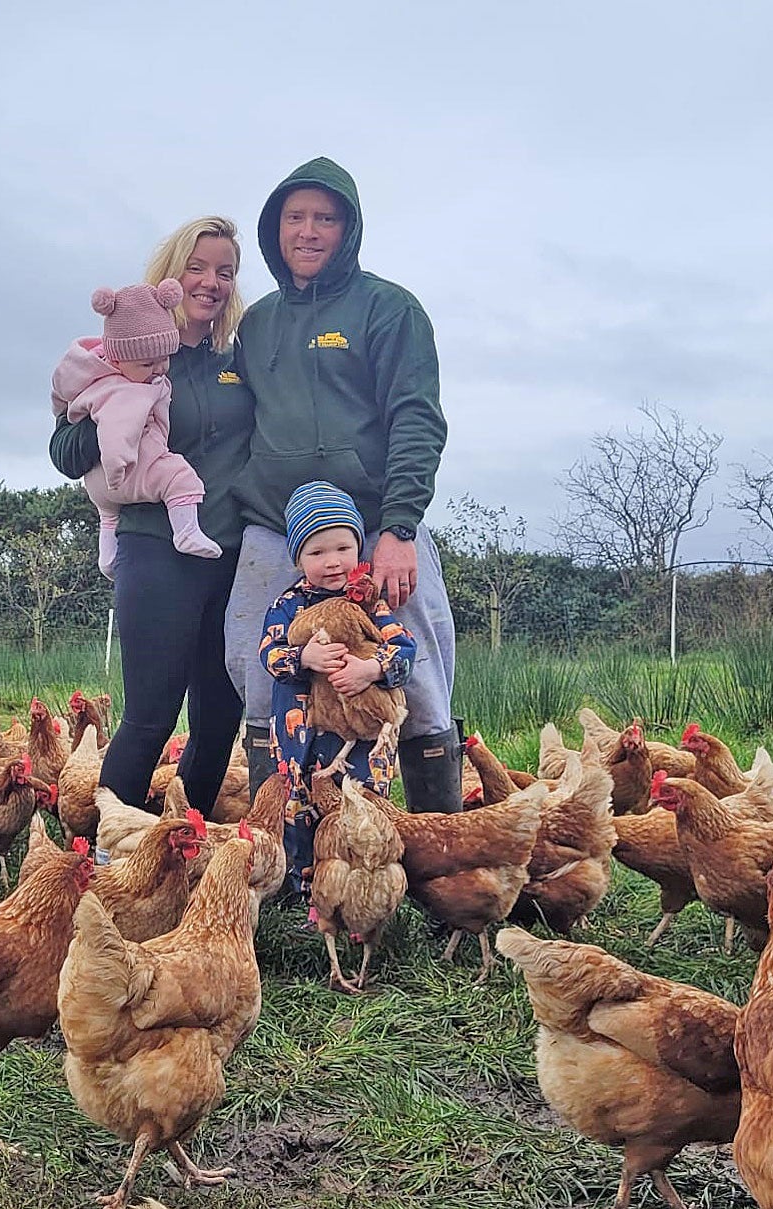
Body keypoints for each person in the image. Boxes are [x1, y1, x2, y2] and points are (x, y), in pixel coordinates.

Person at [224, 157, 460, 813]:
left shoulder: (390, 309)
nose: (307, 231)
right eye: (294, 217)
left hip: (374, 527)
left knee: (419, 673)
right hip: (275, 529)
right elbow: (228, 422)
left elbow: (417, 416)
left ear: (348, 228)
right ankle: (280, 842)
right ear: (275, 229)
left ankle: (441, 851)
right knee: (258, 666)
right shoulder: (258, 323)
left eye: (324, 218)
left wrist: (401, 527)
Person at [50, 217, 256, 815]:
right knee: (151, 715)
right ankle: (102, 856)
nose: (211, 282)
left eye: (225, 271)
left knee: (220, 717)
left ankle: (170, 848)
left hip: (230, 555)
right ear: (170, 275)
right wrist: (116, 409)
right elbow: (63, 453)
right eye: (197, 267)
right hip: (156, 550)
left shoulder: (238, 361)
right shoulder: (124, 353)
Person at [260, 481, 416, 900]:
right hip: (301, 740)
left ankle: (363, 892)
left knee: (360, 809)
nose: (332, 562)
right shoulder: (287, 605)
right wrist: (303, 659)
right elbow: (269, 654)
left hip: (362, 739)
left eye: (343, 548)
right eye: (316, 552)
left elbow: (403, 650)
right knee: (299, 810)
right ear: (298, 559)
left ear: (358, 550)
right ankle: (302, 892)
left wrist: (371, 669)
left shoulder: (370, 605)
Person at [51, 279, 223, 578]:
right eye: (147, 364)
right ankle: (186, 532)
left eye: (164, 360)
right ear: (118, 359)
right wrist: (117, 468)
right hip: (127, 478)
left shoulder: (101, 376)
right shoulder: (126, 391)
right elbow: (117, 434)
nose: (158, 369)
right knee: (179, 476)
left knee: (108, 515)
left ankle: (106, 556)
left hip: (100, 489)